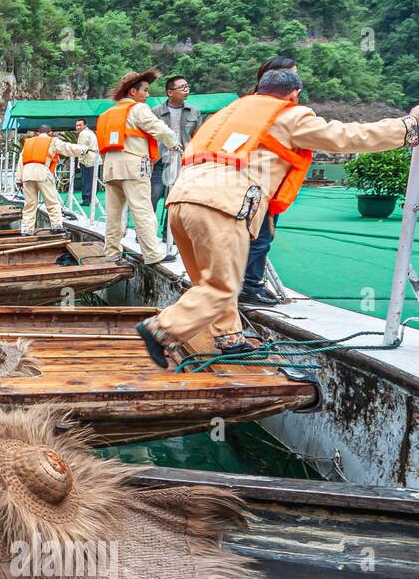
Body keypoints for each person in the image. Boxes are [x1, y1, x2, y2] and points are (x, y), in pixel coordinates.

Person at [137, 68, 419, 367]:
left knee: (207, 281)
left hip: (181, 198)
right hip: (222, 204)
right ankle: (160, 329)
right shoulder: (289, 115)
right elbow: (345, 136)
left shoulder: (226, 112)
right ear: (294, 94)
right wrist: (408, 126)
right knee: (223, 286)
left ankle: (230, 338)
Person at [96, 68, 182, 265]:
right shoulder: (138, 109)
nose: (147, 94)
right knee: (142, 210)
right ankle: (152, 254)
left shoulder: (108, 113)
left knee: (114, 213)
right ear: (133, 92)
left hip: (110, 168)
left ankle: (111, 252)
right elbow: (160, 130)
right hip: (134, 165)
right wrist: (174, 144)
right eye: (145, 90)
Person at [240, 56, 299, 307]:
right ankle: (248, 286)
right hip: (258, 183)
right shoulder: (272, 110)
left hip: (267, 181)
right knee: (259, 236)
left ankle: (253, 283)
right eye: (293, 75)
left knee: (261, 235)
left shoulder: (248, 103)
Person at [16, 125, 83, 235]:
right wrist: (84, 150)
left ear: (38, 133)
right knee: (51, 201)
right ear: (50, 132)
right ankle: (56, 225)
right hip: (42, 171)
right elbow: (66, 148)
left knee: (29, 204)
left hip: (27, 173)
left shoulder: (28, 142)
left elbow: (20, 160)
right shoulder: (52, 140)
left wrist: (19, 178)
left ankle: (26, 230)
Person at [151, 75, 203, 209]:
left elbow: (197, 136)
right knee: (154, 193)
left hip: (183, 160)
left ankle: (168, 229)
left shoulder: (194, 111)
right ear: (170, 92)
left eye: (187, 86)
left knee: (176, 197)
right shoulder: (155, 112)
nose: (186, 90)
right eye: (182, 87)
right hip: (160, 160)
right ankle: (149, 228)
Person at [74, 118, 99, 207]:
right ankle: (92, 199)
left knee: (86, 180)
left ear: (85, 125)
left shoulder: (83, 134)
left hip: (87, 160)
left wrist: (79, 162)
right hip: (95, 159)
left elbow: (82, 149)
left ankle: (86, 199)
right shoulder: (91, 132)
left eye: (80, 125)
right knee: (93, 180)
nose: (78, 127)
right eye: (77, 125)